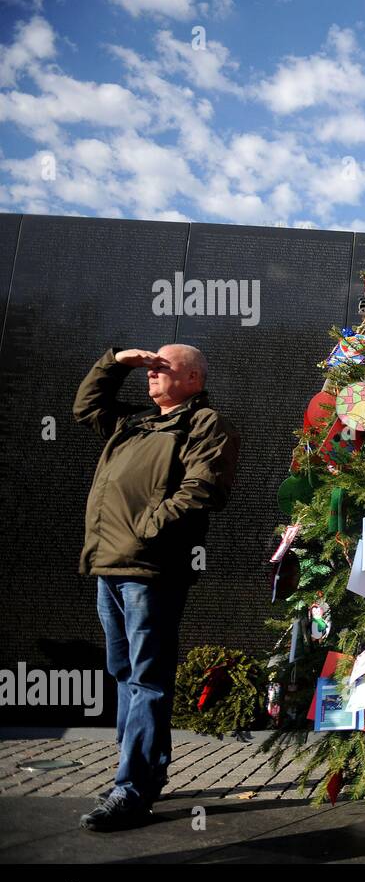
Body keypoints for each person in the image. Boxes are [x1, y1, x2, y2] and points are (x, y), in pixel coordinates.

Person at [72, 344, 240, 832]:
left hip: (151, 568)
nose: (150, 374)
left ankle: (133, 788)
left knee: (146, 677)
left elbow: (204, 489)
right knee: (124, 671)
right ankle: (137, 776)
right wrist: (114, 363)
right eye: (148, 368)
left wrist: (147, 527)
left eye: (161, 367)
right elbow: (86, 408)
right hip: (110, 566)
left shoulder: (204, 423)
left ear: (191, 378)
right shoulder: (136, 423)